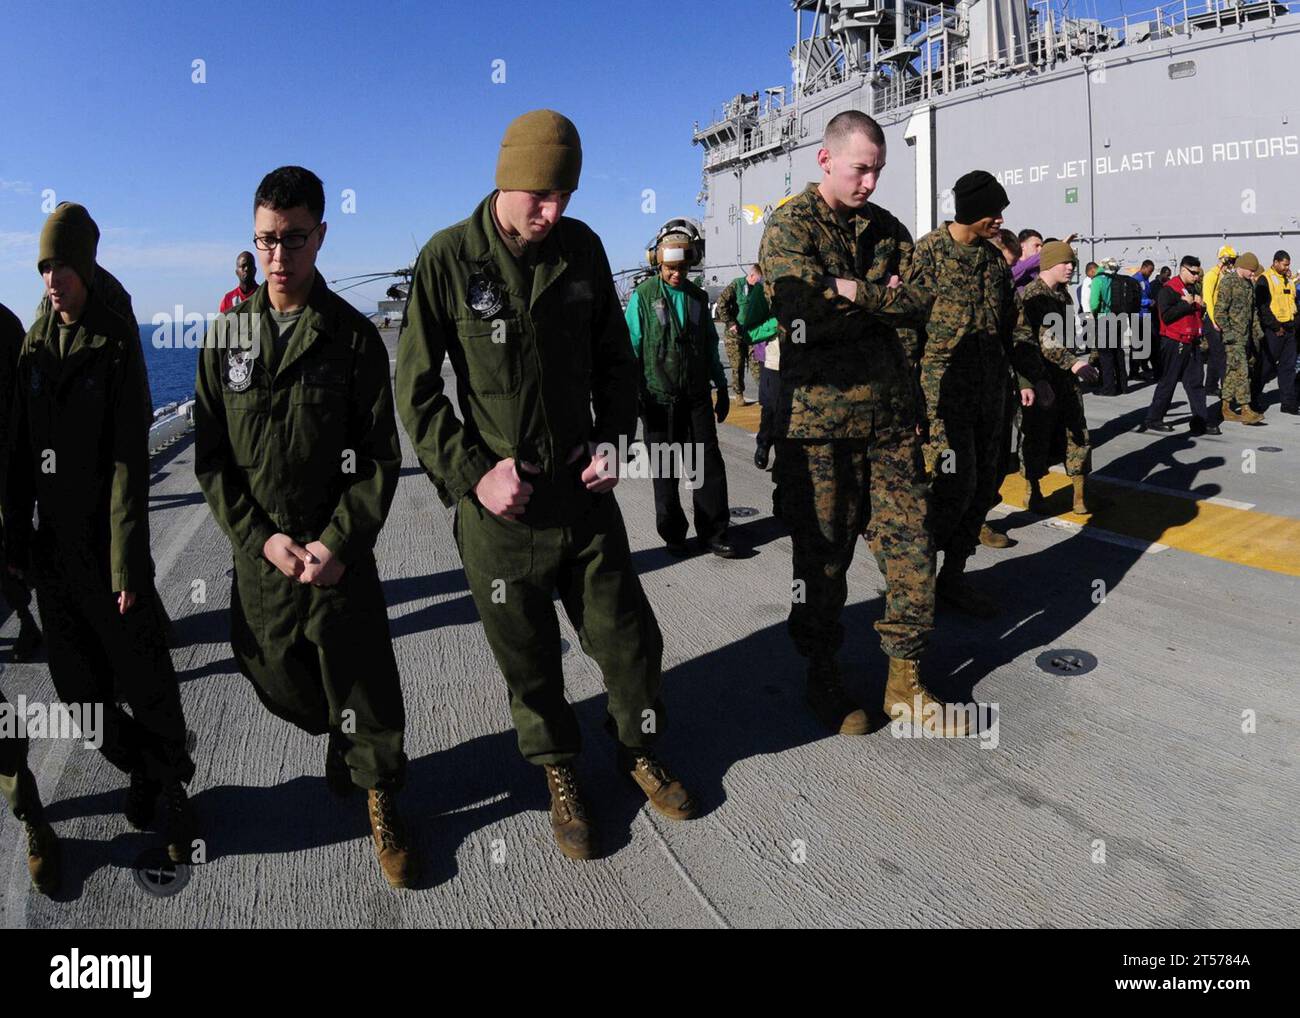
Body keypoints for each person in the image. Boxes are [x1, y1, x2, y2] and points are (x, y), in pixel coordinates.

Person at [397, 110, 697, 862]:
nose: (552, 210)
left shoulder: (582, 248)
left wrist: (613, 437)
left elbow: (616, 365)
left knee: (631, 642)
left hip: (582, 496)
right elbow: (417, 393)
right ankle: (560, 775)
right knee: (529, 664)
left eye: (563, 193)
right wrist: (473, 476)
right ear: (504, 179)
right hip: (502, 514)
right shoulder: (447, 260)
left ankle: (637, 748)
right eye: (538, 194)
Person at [194, 166, 414, 888]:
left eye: (293, 239)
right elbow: (212, 460)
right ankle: (338, 737)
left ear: (321, 235)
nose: (278, 257)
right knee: (276, 680)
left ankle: (381, 793)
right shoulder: (225, 336)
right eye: (265, 241)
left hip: (335, 555)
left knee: (365, 684)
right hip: (265, 560)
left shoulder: (350, 340)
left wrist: (340, 543)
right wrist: (259, 539)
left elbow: (380, 456)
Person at [759, 109, 968, 739]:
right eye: (860, 169)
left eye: (878, 170)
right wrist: (870, 298)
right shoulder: (788, 227)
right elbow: (802, 313)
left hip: (890, 423)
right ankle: (823, 672)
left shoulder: (888, 229)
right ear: (826, 160)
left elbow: (927, 300)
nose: (870, 183)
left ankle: (906, 681)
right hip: (819, 429)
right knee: (822, 560)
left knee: (911, 549)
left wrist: (854, 291)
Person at [5, 202, 196, 864]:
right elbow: (20, 454)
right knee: (77, 693)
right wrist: (18, 541)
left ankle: (174, 791)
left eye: (62, 265)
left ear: (85, 266)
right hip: (55, 551)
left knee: (145, 681)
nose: (52, 278)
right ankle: (143, 766)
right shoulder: (33, 347)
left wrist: (124, 567)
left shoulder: (114, 342)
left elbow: (126, 463)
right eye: (44, 266)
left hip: (108, 546)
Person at [907, 170, 1032, 620]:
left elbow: (1012, 324)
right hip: (942, 395)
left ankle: (954, 576)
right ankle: (917, 578)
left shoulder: (994, 261)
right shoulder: (928, 253)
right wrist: (910, 399)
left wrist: (1027, 376)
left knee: (984, 485)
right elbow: (906, 328)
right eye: (993, 213)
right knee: (949, 488)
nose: (999, 220)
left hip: (991, 394)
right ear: (970, 212)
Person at [625, 222, 739, 558]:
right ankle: (674, 535)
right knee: (665, 470)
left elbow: (708, 343)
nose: (678, 274)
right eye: (672, 268)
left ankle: (714, 533)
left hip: (696, 397)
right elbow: (630, 346)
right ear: (658, 264)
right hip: (657, 398)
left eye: (684, 268)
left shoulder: (697, 297)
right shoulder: (643, 297)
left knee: (706, 466)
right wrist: (630, 395)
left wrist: (720, 385)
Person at [1012, 242, 1101, 515]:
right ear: (1049, 263)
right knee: (1035, 436)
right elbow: (1044, 340)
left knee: (1078, 434)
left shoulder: (1063, 296)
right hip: (1039, 378)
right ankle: (1033, 490)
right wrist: (1073, 364)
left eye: (1072, 262)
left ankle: (1079, 493)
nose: (1071, 267)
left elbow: (1066, 335)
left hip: (1065, 379)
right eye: (1066, 262)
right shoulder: (1032, 297)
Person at [0, 302, 43, 661]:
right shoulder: (10, 324)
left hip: (14, 458)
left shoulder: (6, 326)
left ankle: (33, 619)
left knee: (20, 542)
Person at [1142, 255, 1216, 434]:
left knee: (1196, 383)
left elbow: (1193, 314)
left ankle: (1200, 420)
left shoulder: (1190, 288)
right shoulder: (1168, 290)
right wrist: (1186, 304)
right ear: (1183, 270)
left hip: (1191, 342)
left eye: (1198, 273)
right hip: (1174, 342)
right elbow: (1166, 316)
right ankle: (1154, 418)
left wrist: (1200, 305)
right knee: (1168, 381)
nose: (1196, 277)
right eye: (1193, 273)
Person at [1215, 252, 1267, 426]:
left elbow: (1252, 312)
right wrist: (1228, 333)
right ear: (1243, 267)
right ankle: (1245, 408)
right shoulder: (1228, 282)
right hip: (1233, 337)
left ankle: (1226, 407)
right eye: (1251, 271)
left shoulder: (1248, 285)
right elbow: (1219, 312)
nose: (1253, 274)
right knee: (1243, 371)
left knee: (1232, 372)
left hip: (1246, 336)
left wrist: (1257, 331)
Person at [1254, 250, 1298, 414]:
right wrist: (1275, 326)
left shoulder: (1288, 280)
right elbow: (1263, 307)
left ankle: (1288, 402)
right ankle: (1253, 398)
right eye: (1285, 264)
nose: (1287, 267)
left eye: (1288, 264)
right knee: (1266, 366)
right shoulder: (1265, 279)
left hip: (1289, 329)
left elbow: (1293, 304)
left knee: (1288, 367)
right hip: (1274, 330)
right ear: (1276, 262)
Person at [715, 264, 767, 403]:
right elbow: (721, 303)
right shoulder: (737, 284)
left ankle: (764, 395)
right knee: (737, 366)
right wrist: (730, 323)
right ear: (751, 275)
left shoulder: (760, 289)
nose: (760, 282)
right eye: (759, 279)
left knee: (758, 365)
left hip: (754, 334)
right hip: (735, 335)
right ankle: (739, 393)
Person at [1201, 246, 1236, 395]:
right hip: (1212, 319)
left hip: (1221, 318)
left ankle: (1210, 386)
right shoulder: (1211, 275)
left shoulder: (1225, 275)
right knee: (1221, 356)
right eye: (1231, 260)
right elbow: (1208, 299)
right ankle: (1227, 390)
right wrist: (1215, 321)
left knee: (1215, 355)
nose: (1232, 264)